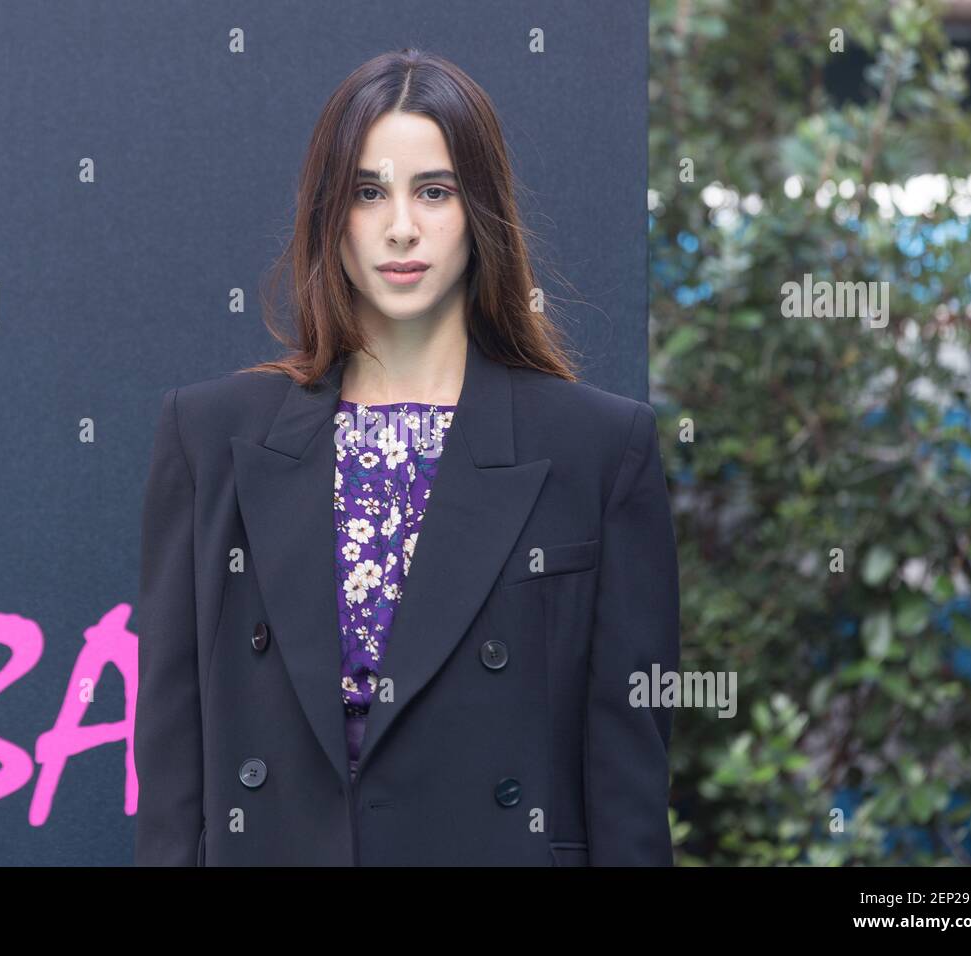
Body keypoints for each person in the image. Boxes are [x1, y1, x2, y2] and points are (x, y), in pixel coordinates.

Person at [135, 48, 680, 866]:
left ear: (481, 210)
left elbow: (628, 786)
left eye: (434, 191)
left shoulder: (599, 448)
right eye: (367, 192)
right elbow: (172, 764)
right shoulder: (210, 436)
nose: (400, 227)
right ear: (330, 213)